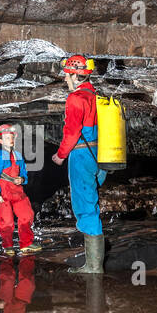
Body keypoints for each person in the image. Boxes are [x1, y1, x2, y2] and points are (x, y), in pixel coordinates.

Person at [51, 53, 106, 273]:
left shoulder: (75, 99)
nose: (65, 79)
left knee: (85, 207)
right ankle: (93, 263)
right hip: (98, 154)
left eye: (67, 75)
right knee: (91, 201)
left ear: (75, 75)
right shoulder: (94, 94)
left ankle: (93, 267)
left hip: (82, 155)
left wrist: (61, 155)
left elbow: (72, 132)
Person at [0, 123, 39, 255]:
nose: (10, 139)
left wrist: (21, 179)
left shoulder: (18, 156)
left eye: (11, 137)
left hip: (17, 191)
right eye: (6, 137)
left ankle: (26, 244)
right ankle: (8, 246)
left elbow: (24, 174)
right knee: (7, 220)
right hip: (3, 192)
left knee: (27, 214)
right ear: (0, 140)